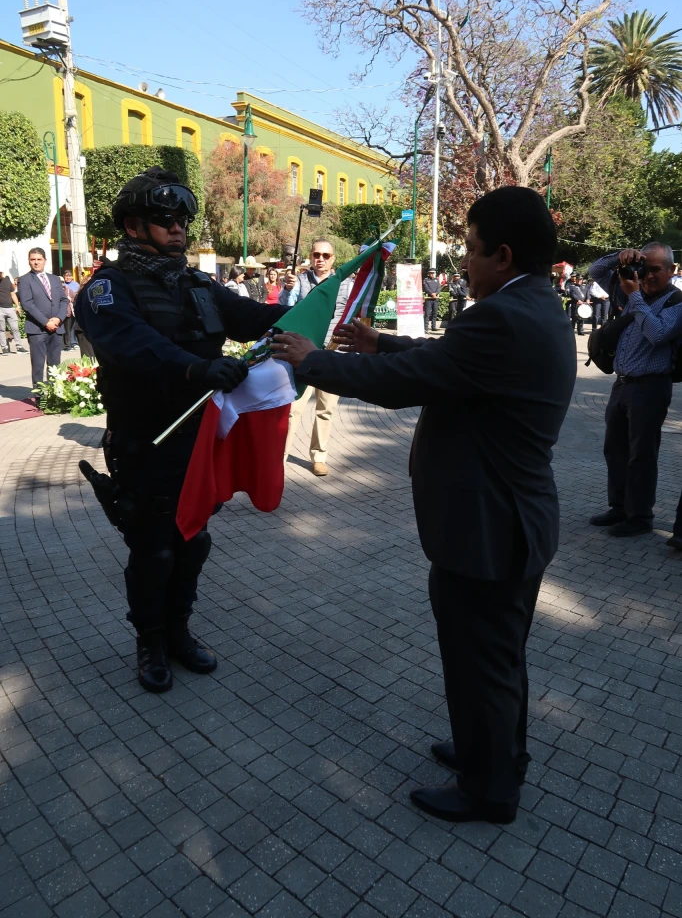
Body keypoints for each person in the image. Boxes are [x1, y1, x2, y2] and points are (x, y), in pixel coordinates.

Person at [272, 186, 576, 824]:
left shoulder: (500, 315)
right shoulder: (533, 305)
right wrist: (381, 341)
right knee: (498, 656)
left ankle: (488, 791)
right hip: (510, 521)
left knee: (482, 662)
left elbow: (408, 385)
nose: (463, 260)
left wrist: (316, 360)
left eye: (469, 248)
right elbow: (447, 363)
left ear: (504, 254)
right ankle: (491, 751)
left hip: (486, 528)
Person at [76, 166, 288, 694]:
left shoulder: (197, 283)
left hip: (200, 440)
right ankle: (149, 641)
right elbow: (128, 342)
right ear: (132, 225)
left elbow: (251, 316)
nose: (177, 228)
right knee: (155, 548)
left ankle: (178, 631)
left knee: (193, 541)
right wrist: (195, 369)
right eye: (163, 219)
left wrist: (311, 308)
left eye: (181, 220)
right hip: (147, 439)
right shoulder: (107, 287)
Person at [589, 242, 682, 537]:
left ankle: (640, 517)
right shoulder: (632, 290)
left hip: (651, 387)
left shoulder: (676, 303)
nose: (648, 275)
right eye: (645, 268)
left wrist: (635, 298)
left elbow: (657, 333)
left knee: (641, 455)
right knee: (614, 450)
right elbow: (595, 270)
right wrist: (620, 257)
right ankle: (619, 507)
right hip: (622, 385)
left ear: (671, 271)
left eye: (656, 270)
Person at [279, 238, 352, 477]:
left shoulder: (344, 283)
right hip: (301, 354)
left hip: (331, 353)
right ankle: (280, 456)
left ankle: (319, 456)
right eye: (316, 255)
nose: (320, 259)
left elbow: (346, 314)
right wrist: (288, 290)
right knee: (292, 409)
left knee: (326, 408)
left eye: (325, 256)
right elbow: (287, 307)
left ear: (333, 259)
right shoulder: (299, 281)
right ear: (311, 257)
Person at [17, 247, 69, 391]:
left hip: (56, 328)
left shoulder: (55, 279)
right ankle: (40, 397)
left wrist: (58, 319)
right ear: (29, 261)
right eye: (32, 259)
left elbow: (64, 300)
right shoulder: (24, 280)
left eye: (39, 259)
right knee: (38, 365)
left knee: (55, 365)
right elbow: (27, 304)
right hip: (37, 330)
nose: (36, 262)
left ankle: (55, 395)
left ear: (45, 261)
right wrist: (46, 322)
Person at [0, 270, 29, 357]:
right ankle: (4, 348)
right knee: (1, 330)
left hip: (10, 308)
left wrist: (17, 306)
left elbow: (12, 294)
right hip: (0, 309)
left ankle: (19, 347)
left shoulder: (7, 281)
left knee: (15, 328)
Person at [62, 270, 80, 350]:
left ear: (72, 277)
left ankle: (74, 342)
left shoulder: (76, 285)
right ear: (64, 277)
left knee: (73, 326)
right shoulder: (62, 285)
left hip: (73, 307)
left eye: (70, 276)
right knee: (66, 327)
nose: (68, 277)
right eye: (66, 276)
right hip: (65, 309)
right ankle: (67, 343)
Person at [423, 267, 441, 332]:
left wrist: (436, 293)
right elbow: (426, 288)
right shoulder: (426, 280)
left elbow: (439, 287)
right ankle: (425, 328)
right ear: (428, 274)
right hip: (429, 299)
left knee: (435, 313)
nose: (432, 274)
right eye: (431, 273)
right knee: (427, 314)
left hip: (435, 298)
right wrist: (431, 294)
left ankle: (433, 327)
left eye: (433, 273)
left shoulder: (437, 280)